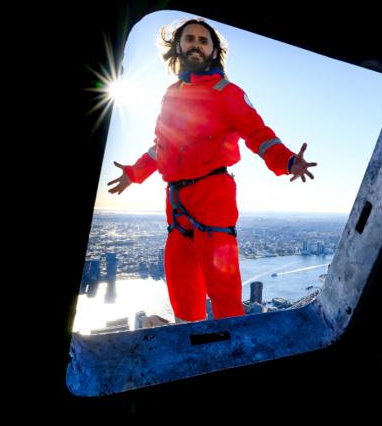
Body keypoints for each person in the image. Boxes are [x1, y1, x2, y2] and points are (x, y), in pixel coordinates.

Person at [107, 18, 317, 322]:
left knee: (224, 292)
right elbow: (162, 146)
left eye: (203, 41)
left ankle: (232, 353)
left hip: (213, 196)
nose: (196, 45)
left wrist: (287, 161)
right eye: (190, 39)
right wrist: (134, 173)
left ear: (213, 50)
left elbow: (257, 134)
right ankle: (193, 354)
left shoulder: (227, 92)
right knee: (181, 290)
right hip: (176, 202)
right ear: (178, 47)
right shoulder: (171, 95)